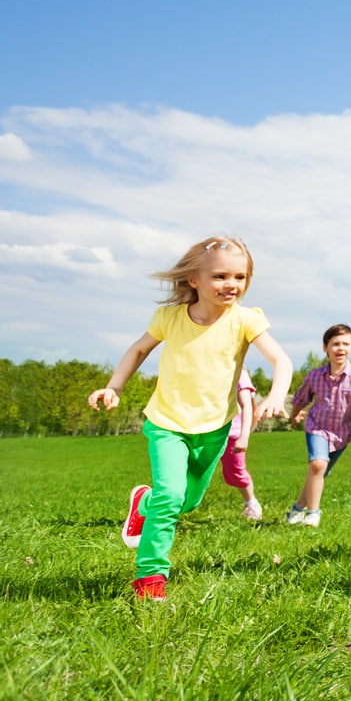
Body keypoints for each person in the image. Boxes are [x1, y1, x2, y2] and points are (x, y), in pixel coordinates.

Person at [89, 235, 293, 599]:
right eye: (219, 277)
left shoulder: (246, 320)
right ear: (193, 280)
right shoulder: (169, 317)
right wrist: (114, 387)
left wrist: (276, 395)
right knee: (171, 494)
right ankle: (150, 578)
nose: (231, 285)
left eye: (239, 277)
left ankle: (145, 504)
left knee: (187, 502)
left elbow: (281, 360)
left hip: (214, 428)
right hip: (166, 424)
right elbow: (138, 350)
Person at [281, 324, 351, 526]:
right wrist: (294, 416)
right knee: (317, 464)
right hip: (317, 427)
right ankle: (313, 513)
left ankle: (297, 509)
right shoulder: (315, 376)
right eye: (335, 344)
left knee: (319, 472)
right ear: (325, 347)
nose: (340, 348)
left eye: (345, 344)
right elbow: (300, 398)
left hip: (343, 434)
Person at [218, 371, 265, 522]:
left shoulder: (239, 374)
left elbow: (247, 406)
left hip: (233, 433)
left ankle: (251, 503)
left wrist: (244, 436)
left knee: (236, 472)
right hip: (212, 431)